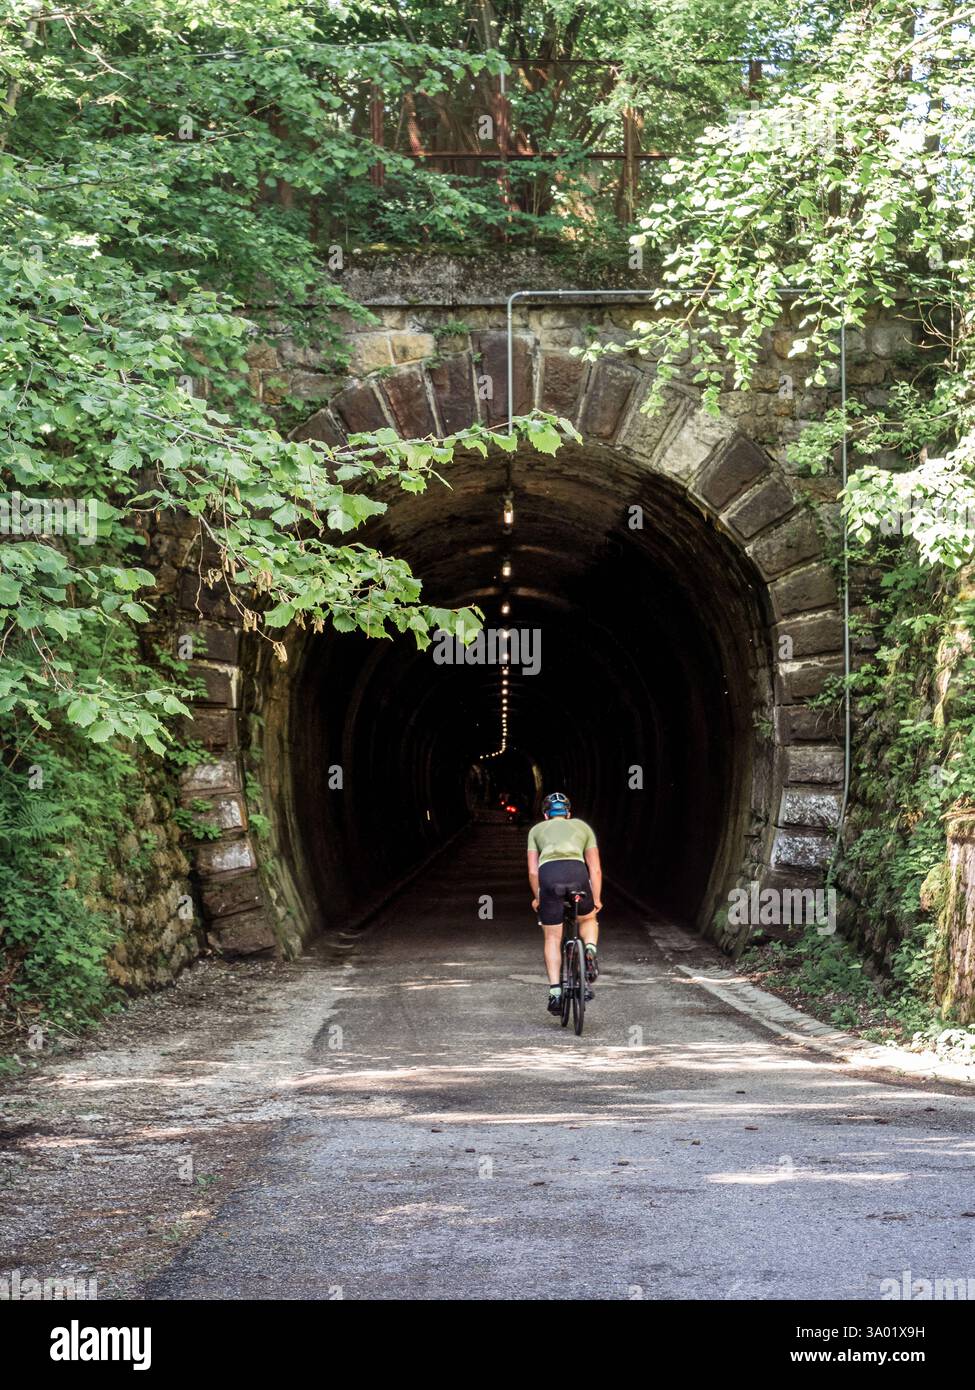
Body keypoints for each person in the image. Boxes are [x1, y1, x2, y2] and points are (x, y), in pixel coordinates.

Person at [526, 792, 602, 1015]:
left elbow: (532, 871)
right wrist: (596, 899)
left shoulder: (536, 830)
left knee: (552, 937)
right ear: (568, 814)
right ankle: (589, 949)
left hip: (549, 876)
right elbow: (595, 869)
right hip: (577, 872)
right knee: (588, 918)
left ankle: (555, 992)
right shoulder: (583, 828)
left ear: (546, 815)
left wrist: (538, 896)